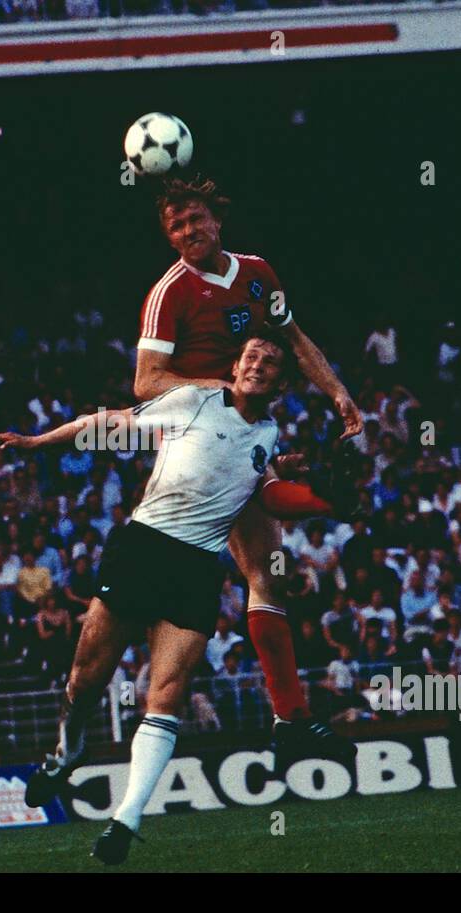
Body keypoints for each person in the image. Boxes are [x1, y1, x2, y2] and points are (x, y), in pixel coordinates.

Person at [0, 333, 350, 865]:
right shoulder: (194, 399)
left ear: (281, 381)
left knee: (166, 697)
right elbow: (108, 423)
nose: (258, 365)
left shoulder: (268, 436)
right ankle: (69, 749)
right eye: (252, 356)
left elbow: (269, 496)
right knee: (83, 683)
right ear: (237, 363)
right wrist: (38, 442)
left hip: (198, 569)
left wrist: (324, 500)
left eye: (270, 362)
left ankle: (125, 820)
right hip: (142, 548)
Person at [129, 175, 365, 765]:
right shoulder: (169, 292)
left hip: (250, 425)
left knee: (268, 573)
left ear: (217, 219)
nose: (187, 233)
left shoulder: (257, 272)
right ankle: (330, 502)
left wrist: (337, 393)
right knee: (259, 560)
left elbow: (295, 338)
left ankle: (291, 719)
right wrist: (221, 387)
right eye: (174, 226)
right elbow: (146, 383)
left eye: (195, 220)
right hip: (201, 431)